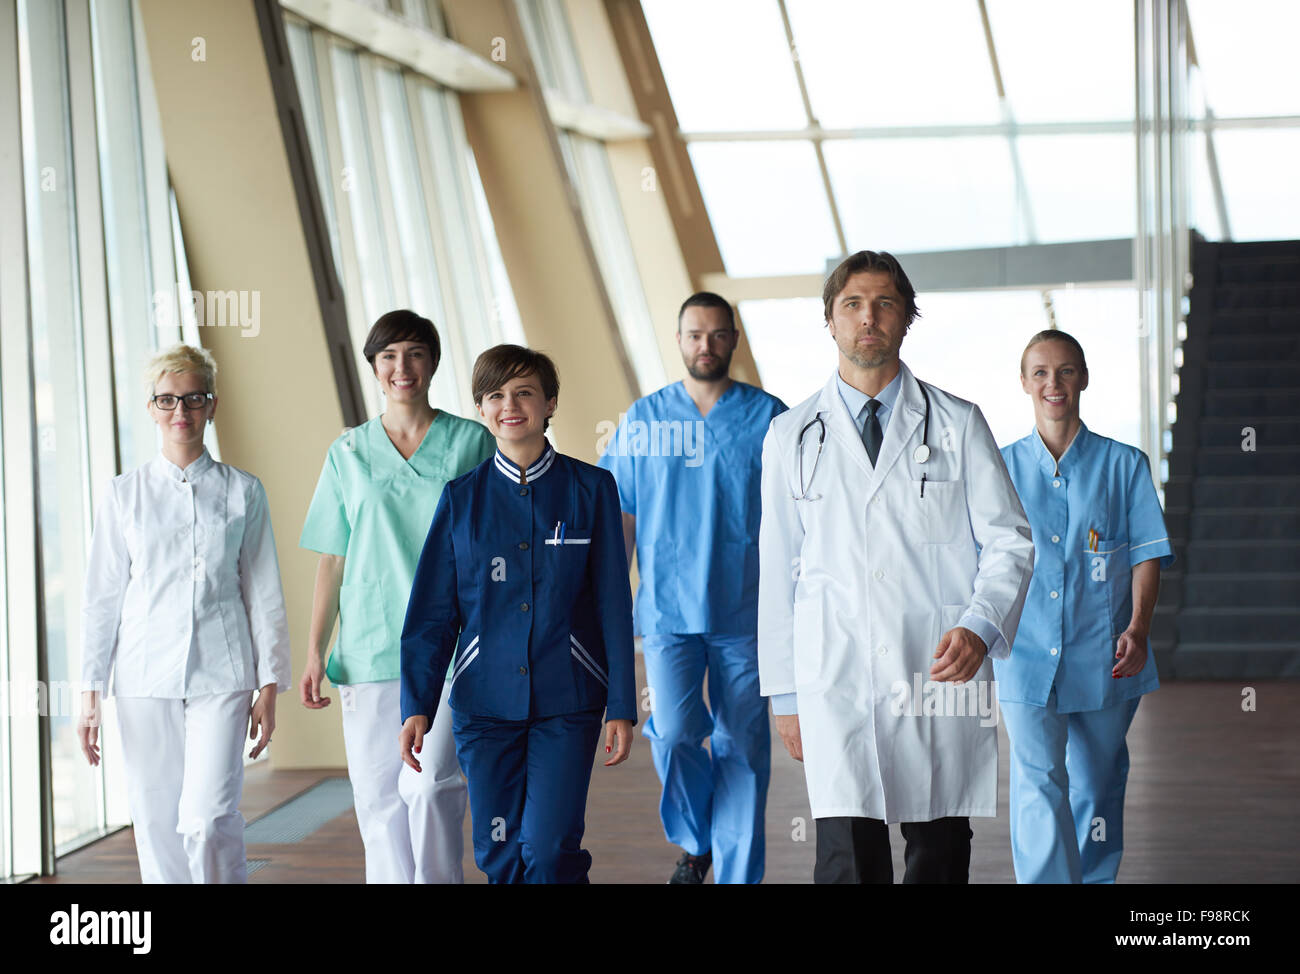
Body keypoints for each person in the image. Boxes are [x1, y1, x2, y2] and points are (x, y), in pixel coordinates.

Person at [758, 250, 1036, 884]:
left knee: (939, 855)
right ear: (829, 320)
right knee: (845, 859)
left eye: (885, 303)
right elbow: (779, 573)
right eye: (852, 304)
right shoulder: (790, 435)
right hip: (837, 674)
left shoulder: (959, 423)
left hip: (935, 666)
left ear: (909, 317)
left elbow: (1010, 541)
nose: (868, 318)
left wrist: (980, 625)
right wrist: (785, 695)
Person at [399, 344, 636, 884]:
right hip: (484, 708)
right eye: (496, 395)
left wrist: (622, 703)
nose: (511, 404)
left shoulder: (591, 489)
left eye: (524, 392)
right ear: (481, 409)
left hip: (568, 700)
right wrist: (418, 701)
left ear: (550, 402)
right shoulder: (462, 499)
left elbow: (612, 605)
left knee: (550, 851)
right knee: (499, 854)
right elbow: (433, 612)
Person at [77, 343, 290, 884]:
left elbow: (264, 592)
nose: (181, 412)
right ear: (151, 408)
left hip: (224, 672)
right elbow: (103, 596)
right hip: (144, 676)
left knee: (210, 816)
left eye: (193, 398)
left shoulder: (244, 492)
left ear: (211, 405)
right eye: (168, 400)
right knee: (156, 820)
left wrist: (270, 683)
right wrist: (89, 693)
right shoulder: (124, 495)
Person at [597, 292, 786, 884]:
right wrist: (610, 602)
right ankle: (697, 838)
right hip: (667, 610)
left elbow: (794, 517)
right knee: (676, 733)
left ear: (733, 339)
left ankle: (737, 873)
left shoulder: (769, 417)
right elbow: (621, 516)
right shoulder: (644, 419)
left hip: (746, 611)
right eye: (694, 335)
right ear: (679, 341)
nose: (706, 346)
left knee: (744, 749)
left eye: (717, 334)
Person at [299, 310, 494, 884]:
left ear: (432, 361)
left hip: (451, 646)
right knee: (379, 798)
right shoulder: (348, 452)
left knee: (432, 784)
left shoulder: (471, 442)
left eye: (413, 353)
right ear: (373, 367)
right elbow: (332, 558)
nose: (401, 367)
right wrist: (315, 650)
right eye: (388, 356)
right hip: (366, 644)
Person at [996, 331, 1172, 884]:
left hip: (1106, 654)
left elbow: (1146, 553)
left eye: (1067, 371)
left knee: (1096, 784)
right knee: (1038, 783)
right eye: (1042, 372)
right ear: (1024, 382)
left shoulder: (1125, 465)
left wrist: (1139, 628)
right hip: (1023, 653)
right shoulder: (997, 468)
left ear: (1084, 378)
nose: (1054, 383)